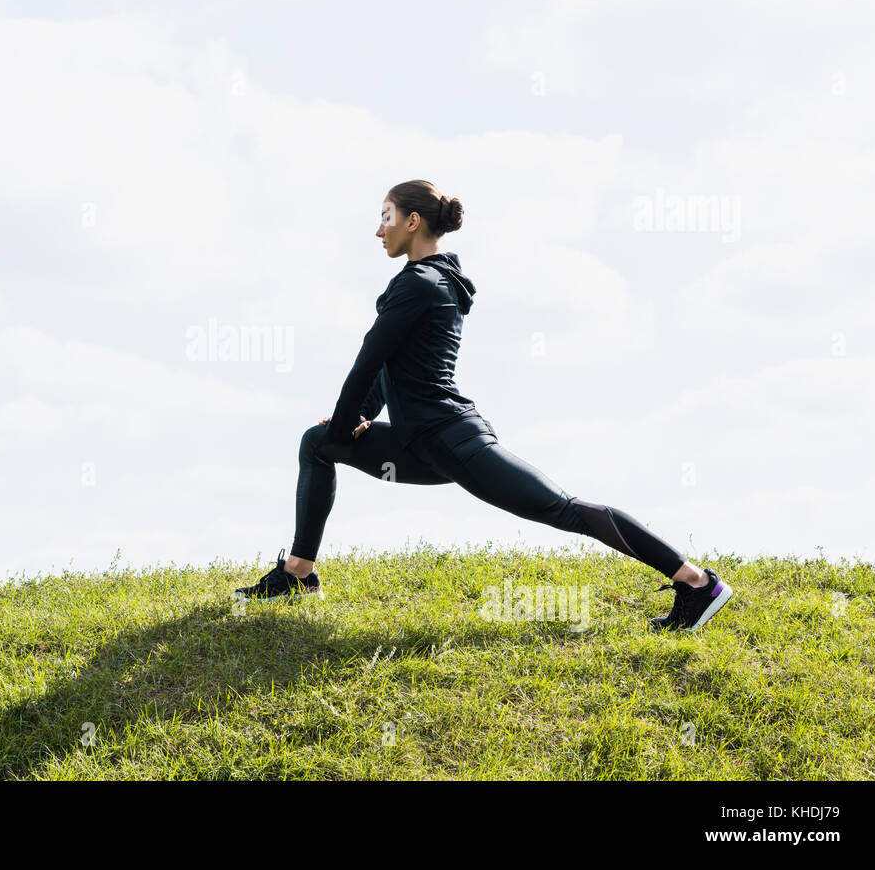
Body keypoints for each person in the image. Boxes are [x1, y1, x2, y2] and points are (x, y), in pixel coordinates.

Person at [235, 179, 733, 632]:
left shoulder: (421, 283)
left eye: (386, 217)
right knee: (317, 444)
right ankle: (298, 575)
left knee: (565, 511)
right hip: (418, 443)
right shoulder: (427, 281)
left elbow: (367, 361)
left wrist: (345, 424)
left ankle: (697, 583)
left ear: (413, 221)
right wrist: (357, 419)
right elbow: (389, 369)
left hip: (454, 442)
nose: (379, 230)